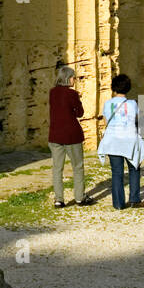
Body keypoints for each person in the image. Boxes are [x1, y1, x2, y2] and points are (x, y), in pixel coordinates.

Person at [96, 74, 144, 210]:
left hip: (113, 140)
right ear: (128, 88)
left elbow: (106, 122)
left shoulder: (107, 104)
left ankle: (118, 204)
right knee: (134, 168)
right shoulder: (133, 104)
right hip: (129, 140)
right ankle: (134, 200)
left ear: (114, 88)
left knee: (117, 172)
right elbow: (136, 119)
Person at [48, 62, 91, 208]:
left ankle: (59, 199)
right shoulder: (72, 94)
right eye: (73, 78)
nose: (74, 80)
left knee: (57, 168)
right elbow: (79, 113)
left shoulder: (52, 92)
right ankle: (80, 197)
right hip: (71, 135)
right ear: (68, 78)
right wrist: (77, 100)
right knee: (77, 166)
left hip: (55, 135)